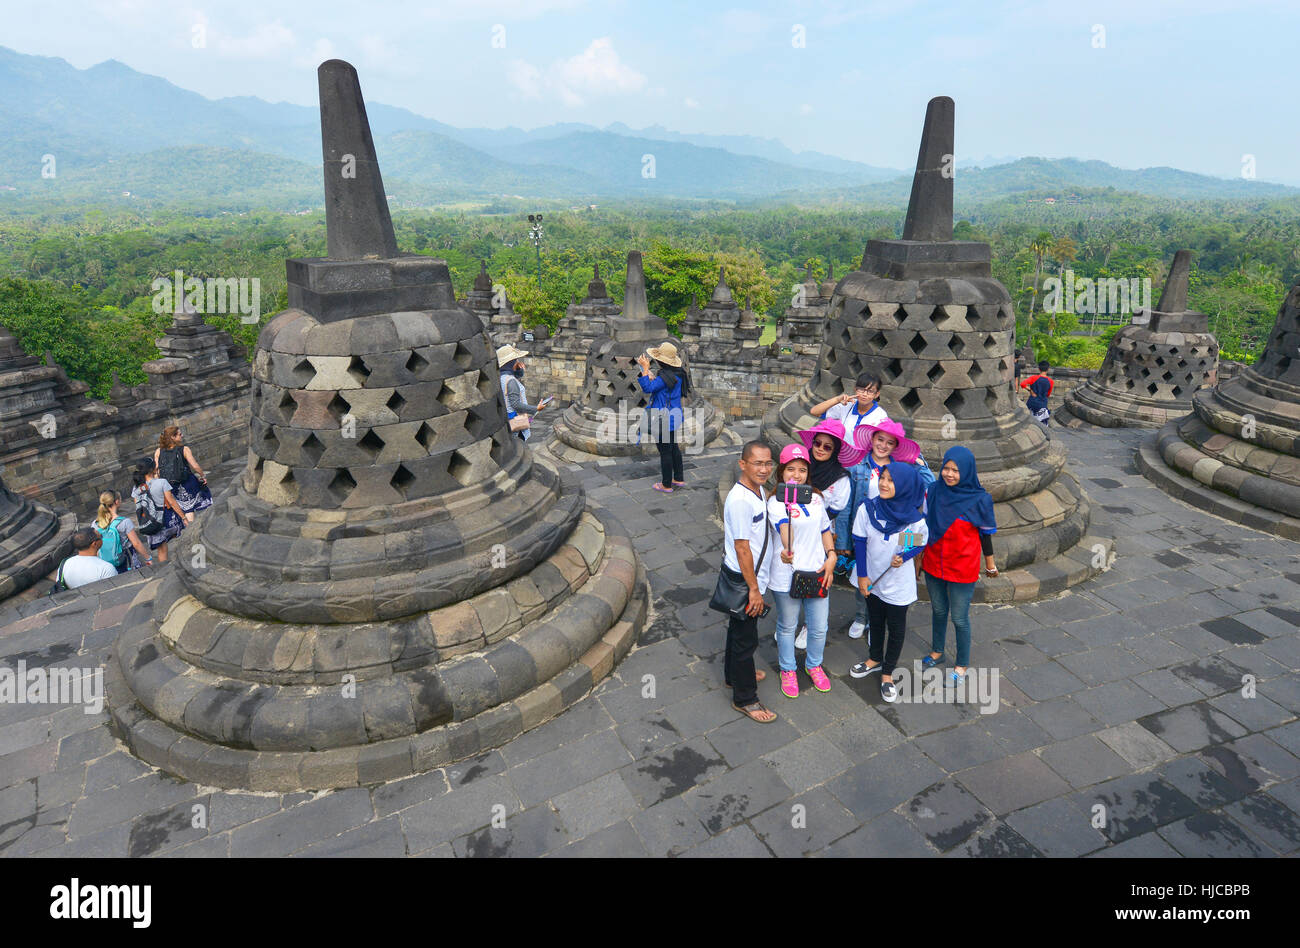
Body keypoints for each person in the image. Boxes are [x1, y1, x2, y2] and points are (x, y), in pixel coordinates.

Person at [842, 419, 931, 640]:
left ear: (895, 447)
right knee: (863, 572)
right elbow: (847, 501)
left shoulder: (900, 469)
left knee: (885, 574)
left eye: (889, 443)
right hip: (865, 523)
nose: (883, 445)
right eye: (880, 439)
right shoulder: (859, 466)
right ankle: (862, 616)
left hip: (894, 527)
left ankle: (875, 622)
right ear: (872, 440)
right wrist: (843, 539)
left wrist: (920, 463)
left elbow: (928, 483)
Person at [849, 462, 929, 702]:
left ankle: (887, 672)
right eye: (883, 478)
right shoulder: (868, 508)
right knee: (874, 620)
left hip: (897, 583)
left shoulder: (912, 519)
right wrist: (862, 575)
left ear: (904, 486)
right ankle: (874, 659)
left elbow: (918, 543)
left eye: (891, 480)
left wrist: (903, 557)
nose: (884, 484)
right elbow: (860, 541)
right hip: (872, 578)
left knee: (895, 628)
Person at [921, 446, 999, 688]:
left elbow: (986, 536)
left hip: (962, 566)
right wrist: (908, 551)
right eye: (946, 468)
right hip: (934, 561)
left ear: (966, 471)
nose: (949, 474)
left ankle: (961, 665)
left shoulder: (980, 499)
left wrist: (990, 564)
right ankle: (937, 650)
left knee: (960, 617)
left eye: (955, 470)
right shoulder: (933, 491)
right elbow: (922, 526)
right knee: (938, 610)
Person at [767, 444, 836, 699]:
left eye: (802, 470)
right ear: (781, 472)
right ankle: (788, 669)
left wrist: (832, 556)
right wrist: (787, 549)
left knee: (819, 626)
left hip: (818, 571)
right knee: (787, 626)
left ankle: (814, 664)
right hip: (787, 574)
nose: (796, 475)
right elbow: (784, 529)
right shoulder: (775, 502)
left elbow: (824, 530)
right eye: (791, 470)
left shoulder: (817, 498)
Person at [788, 418, 864, 650]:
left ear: (836, 450)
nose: (820, 449)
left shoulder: (841, 479)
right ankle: (788, 625)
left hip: (820, 535)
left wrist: (812, 508)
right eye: (817, 444)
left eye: (827, 446)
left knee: (815, 580)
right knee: (789, 577)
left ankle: (810, 626)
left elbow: (834, 511)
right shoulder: (802, 468)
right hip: (792, 530)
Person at [721, 440, 778, 723]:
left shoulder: (758, 490)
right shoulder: (741, 500)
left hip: (750, 575)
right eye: (757, 463)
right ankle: (745, 698)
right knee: (746, 639)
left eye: (768, 463)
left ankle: (734, 675)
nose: (764, 469)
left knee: (738, 628)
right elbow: (742, 547)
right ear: (743, 464)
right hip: (745, 579)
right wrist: (754, 589)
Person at [635, 342, 691, 493]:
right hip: (674, 416)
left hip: (663, 419)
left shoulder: (665, 377)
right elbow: (662, 387)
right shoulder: (678, 374)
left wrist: (645, 369)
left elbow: (648, 389)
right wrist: (650, 375)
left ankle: (666, 484)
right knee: (673, 447)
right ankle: (678, 478)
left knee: (665, 451)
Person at [809, 372, 888, 446]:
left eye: (870, 391)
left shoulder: (880, 415)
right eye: (861, 389)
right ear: (855, 389)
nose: (864, 394)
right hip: (843, 455)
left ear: (876, 394)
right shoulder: (847, 405)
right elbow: (814, 411)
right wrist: (837, 400)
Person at [153, 426, 212, 522]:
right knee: (189, 509)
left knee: (179, 509)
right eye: (180, 434)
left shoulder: (158, 451)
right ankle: (192, 529)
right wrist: (202, 475)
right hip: (187, 482)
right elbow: (195, 466)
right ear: (173, 437)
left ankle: (187, 529)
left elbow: (156, 471)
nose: (182, 436)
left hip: (170, 486)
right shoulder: (184, 449)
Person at [133, 459, 187, 563]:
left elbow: (138, 506)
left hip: (150, 520)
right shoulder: (161, 482)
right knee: (178, 540)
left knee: (161, 548)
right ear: (152, 469)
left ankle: (164, 567)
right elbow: (171, 501)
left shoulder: (136, 487)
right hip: (165, 517)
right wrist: (183, 517)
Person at [93, 490, 153, 573]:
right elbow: (136, 543)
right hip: (125, 560)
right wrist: (148, 558)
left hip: (105, 561)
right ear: (117, 502)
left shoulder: (95, 523)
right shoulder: (124, 522)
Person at [497, 344, 546, 442]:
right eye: (516, 360)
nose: (518, 362)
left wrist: (519, 370)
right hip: (515, 421)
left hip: (506, 418)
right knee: (518, 443)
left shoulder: (501, 377)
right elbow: (516, 404)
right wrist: (536, 409)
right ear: (510, 363)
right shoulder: (511, 381)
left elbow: (516, 375)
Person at [1020, 360, 1054, 427]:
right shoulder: (1050, 381)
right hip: (1042, 404)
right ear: (1048, 369)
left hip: (1032, 403)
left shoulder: (1033, 378)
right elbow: (1048, 394)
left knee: (1029, 423)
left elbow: (1022, 384)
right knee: (1042, 425)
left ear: (1039, 369)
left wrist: (1030, 390)